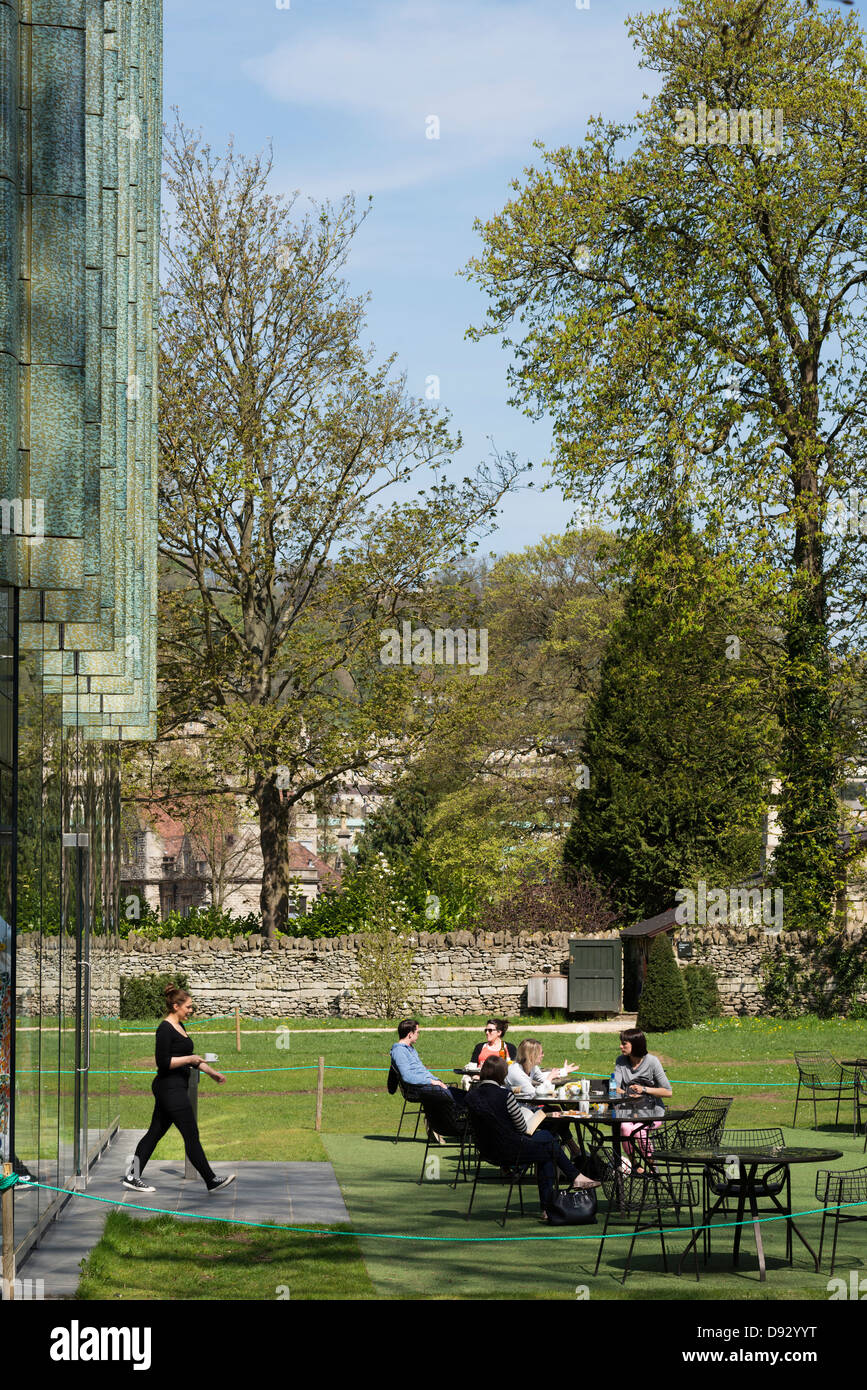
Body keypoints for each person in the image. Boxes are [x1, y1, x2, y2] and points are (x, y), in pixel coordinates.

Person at [124, 986, 235, 1194]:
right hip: (169, 1089)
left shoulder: (180, 1026)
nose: (191, 1010)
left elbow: (192, 1058)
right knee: (191, 1134)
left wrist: (212, 1073)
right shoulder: (164, 1029)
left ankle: (132, 1176)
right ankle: (211, 1180)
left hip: (175, 1088)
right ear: (176, 1006)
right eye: (188, 1007)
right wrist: (190, 1059)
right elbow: (163, 1063)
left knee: (154, 1133)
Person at [466, 1057, 599, 1218]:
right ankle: (560, 1192)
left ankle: (570, 1183)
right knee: (549, 1142)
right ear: (502, 1075)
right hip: (509, 1149)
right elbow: (522, 1127)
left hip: (486, 1150)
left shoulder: (471, 1096)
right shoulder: (505, 1095)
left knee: (547, 1146)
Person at [613, 1027, 672, 1169]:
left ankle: (652, 1166)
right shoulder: (621, 1061)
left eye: (624, 1043)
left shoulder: (652, 1062)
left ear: (636, 1045)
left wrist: (644, 1089)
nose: (620, 1046)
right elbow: (615, 1086)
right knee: (625, 1129)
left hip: (652, 1113)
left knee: (639, 1130)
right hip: (629, 1112)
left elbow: (668, 1092)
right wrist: (627, 1093)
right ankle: (635, 1165)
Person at [506, 1038, 574, 1101]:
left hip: (525, 1103)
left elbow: (542, 1077)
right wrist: (549, 1078)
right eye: (541, 1053)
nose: (543, 1055)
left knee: (556, 1110)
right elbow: (535, 1095)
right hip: (512, 1109)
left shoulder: (532, 1066)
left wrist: (563, 1071)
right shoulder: (516, 1073)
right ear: (532, 1055)